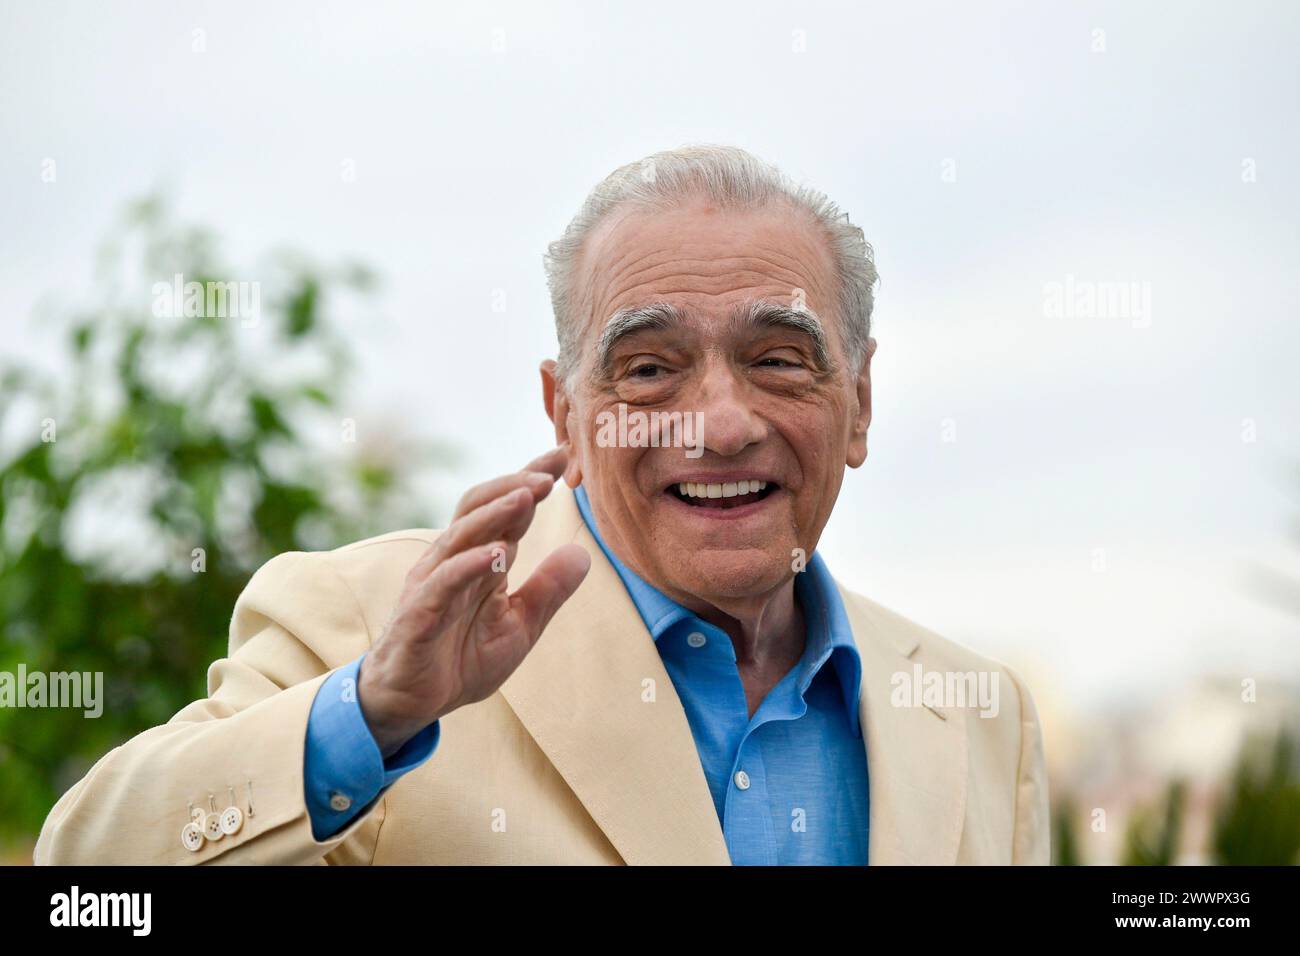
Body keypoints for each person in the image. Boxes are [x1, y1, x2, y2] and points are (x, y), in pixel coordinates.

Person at [35, 145, 1048, 865]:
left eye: (776, 358)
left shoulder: (978, 712)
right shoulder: (368, 626)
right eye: (648, 368)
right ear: (566, 415)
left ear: (858, 402)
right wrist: (374, 711)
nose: (719, 422)